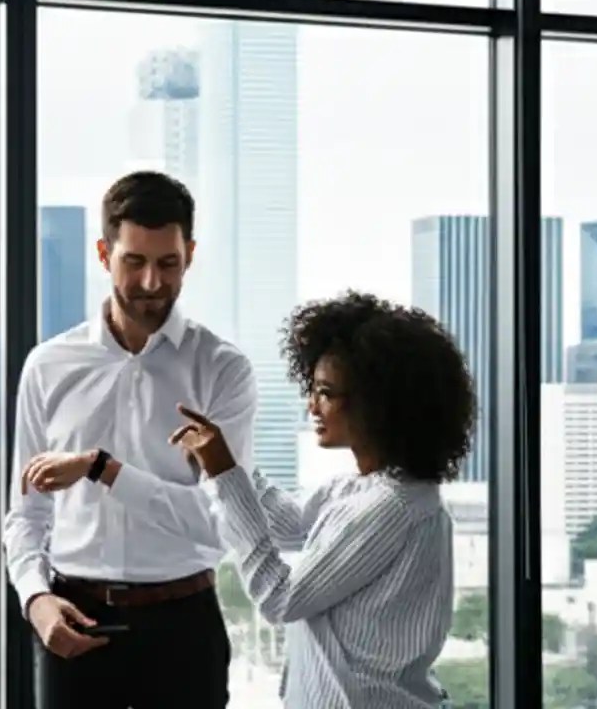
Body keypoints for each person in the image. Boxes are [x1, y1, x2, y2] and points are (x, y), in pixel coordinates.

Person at [4, 171, 255, 708]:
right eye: (133, 262)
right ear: (103, 253)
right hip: (74, 617)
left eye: (169, 263)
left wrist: (105, 469)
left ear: (190, 253)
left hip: (183, 628)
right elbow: (25, 516)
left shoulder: (221, 370)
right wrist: (36, 600)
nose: (150, 283)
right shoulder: (49, 367)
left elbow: (222, 523)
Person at [170, 290, 472, 709]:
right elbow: (293, 525)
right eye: (312, 388)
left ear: (376, 403)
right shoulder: (360, 488)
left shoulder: (392, 507)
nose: (311, 406)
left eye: (327, 393)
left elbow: (281, 598)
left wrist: (224, 472)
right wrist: (228, 463)